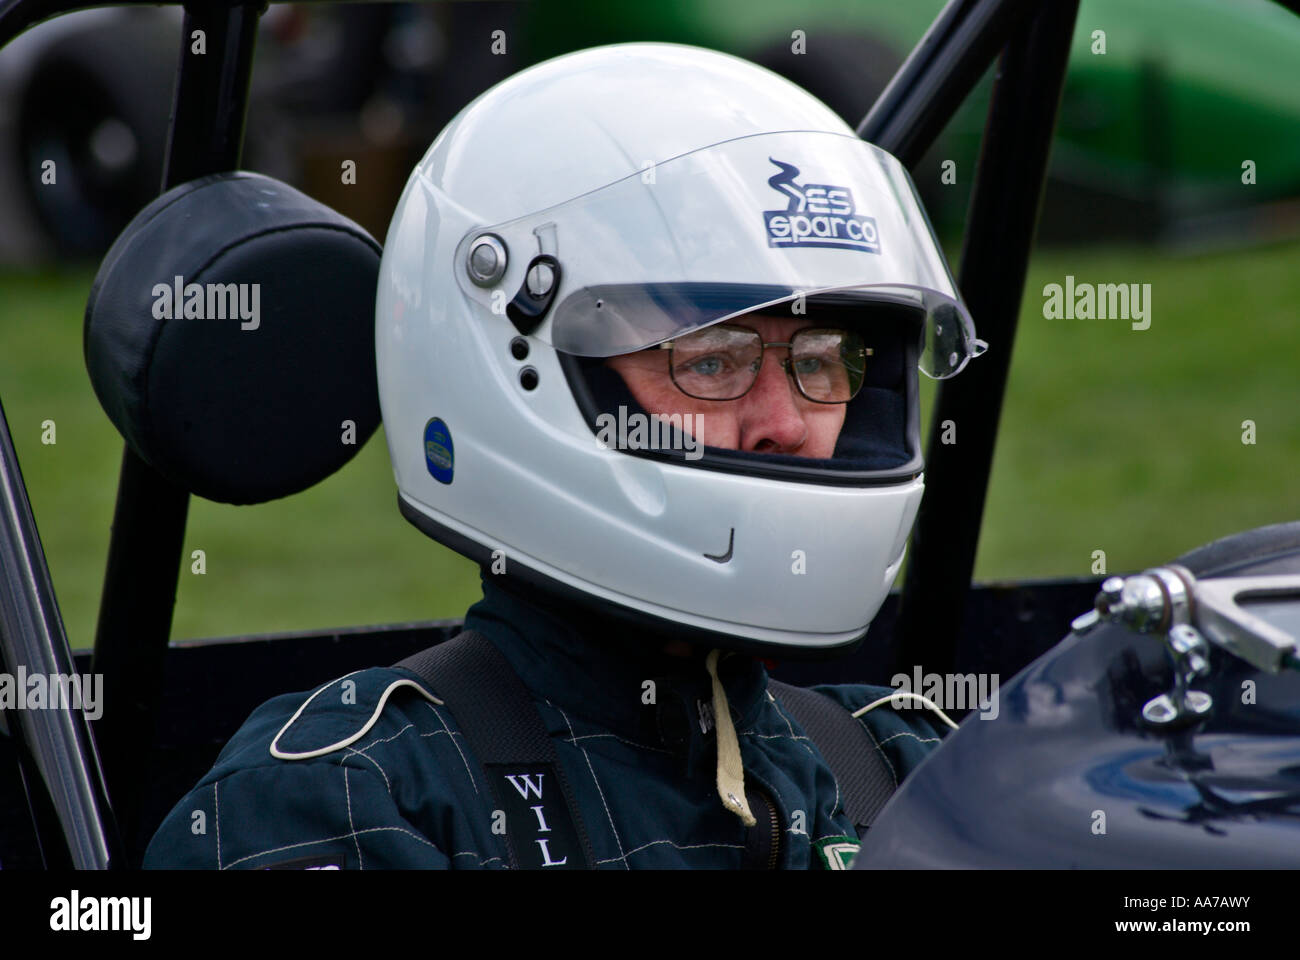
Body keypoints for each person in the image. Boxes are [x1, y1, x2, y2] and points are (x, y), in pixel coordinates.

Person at [144, 41, 984, 870]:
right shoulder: (352, 797)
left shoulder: (907, 768)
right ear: (520, 372)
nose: (786, 423)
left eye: (820, 359)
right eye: (712, 362)